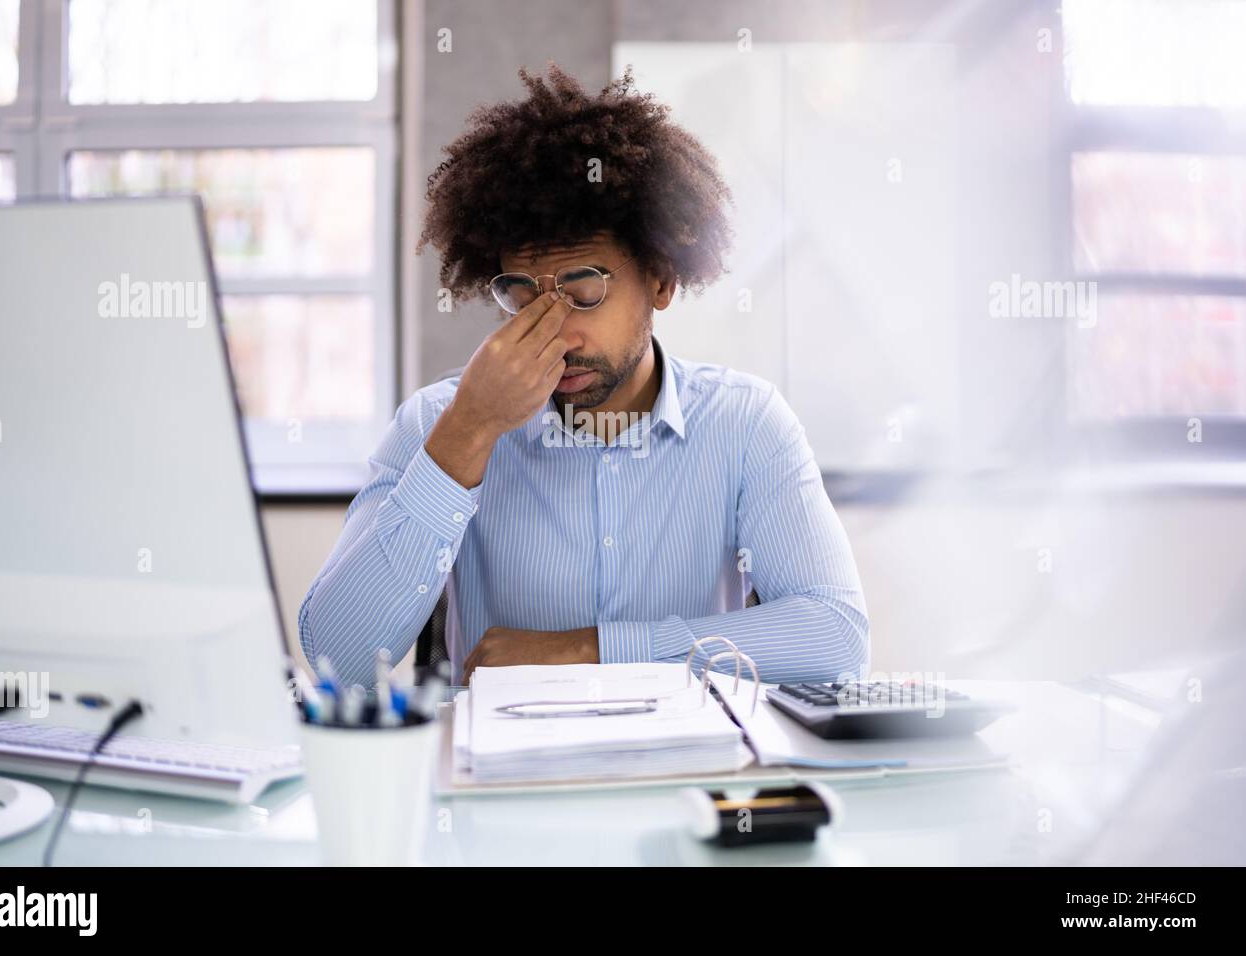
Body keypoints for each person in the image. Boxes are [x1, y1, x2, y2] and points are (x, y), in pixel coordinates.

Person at [300, 64, 868, 685]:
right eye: (523, 293)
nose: (554, 331)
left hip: (690, 773)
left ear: (660, 280)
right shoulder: (440, 422)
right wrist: (468, 432)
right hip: (501, 779)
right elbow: (338, 661)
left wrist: (592, 649)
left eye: (585, 290)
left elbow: (835, 636)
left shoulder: (747, 423)